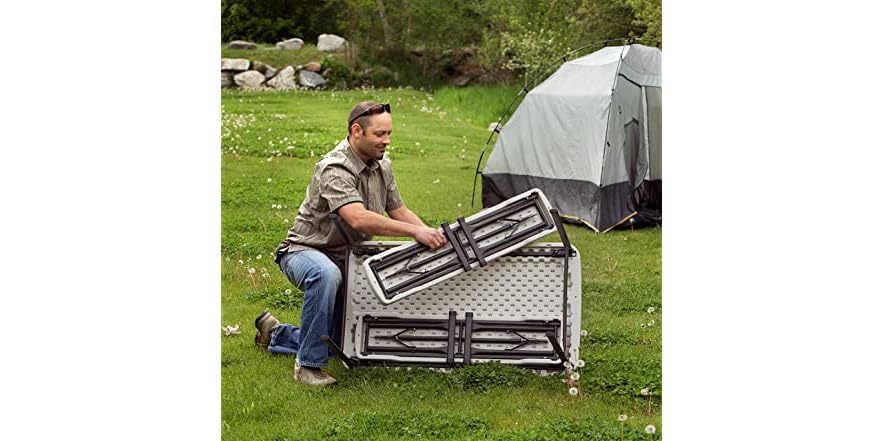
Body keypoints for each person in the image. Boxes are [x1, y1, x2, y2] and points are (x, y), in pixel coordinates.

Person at [254, 101, 448, 386]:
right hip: (306, 251)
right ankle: (308, 367)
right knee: (324, 274)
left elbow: (399, 210)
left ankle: (275, 334)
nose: (387, 141)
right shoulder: (334, 167)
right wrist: (413, 233)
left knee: (340, 342)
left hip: (351, 258)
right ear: (357, 131)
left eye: (389, 133)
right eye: (380, 134)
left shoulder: (383, 165)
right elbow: (357, 218)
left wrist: (432, 235)